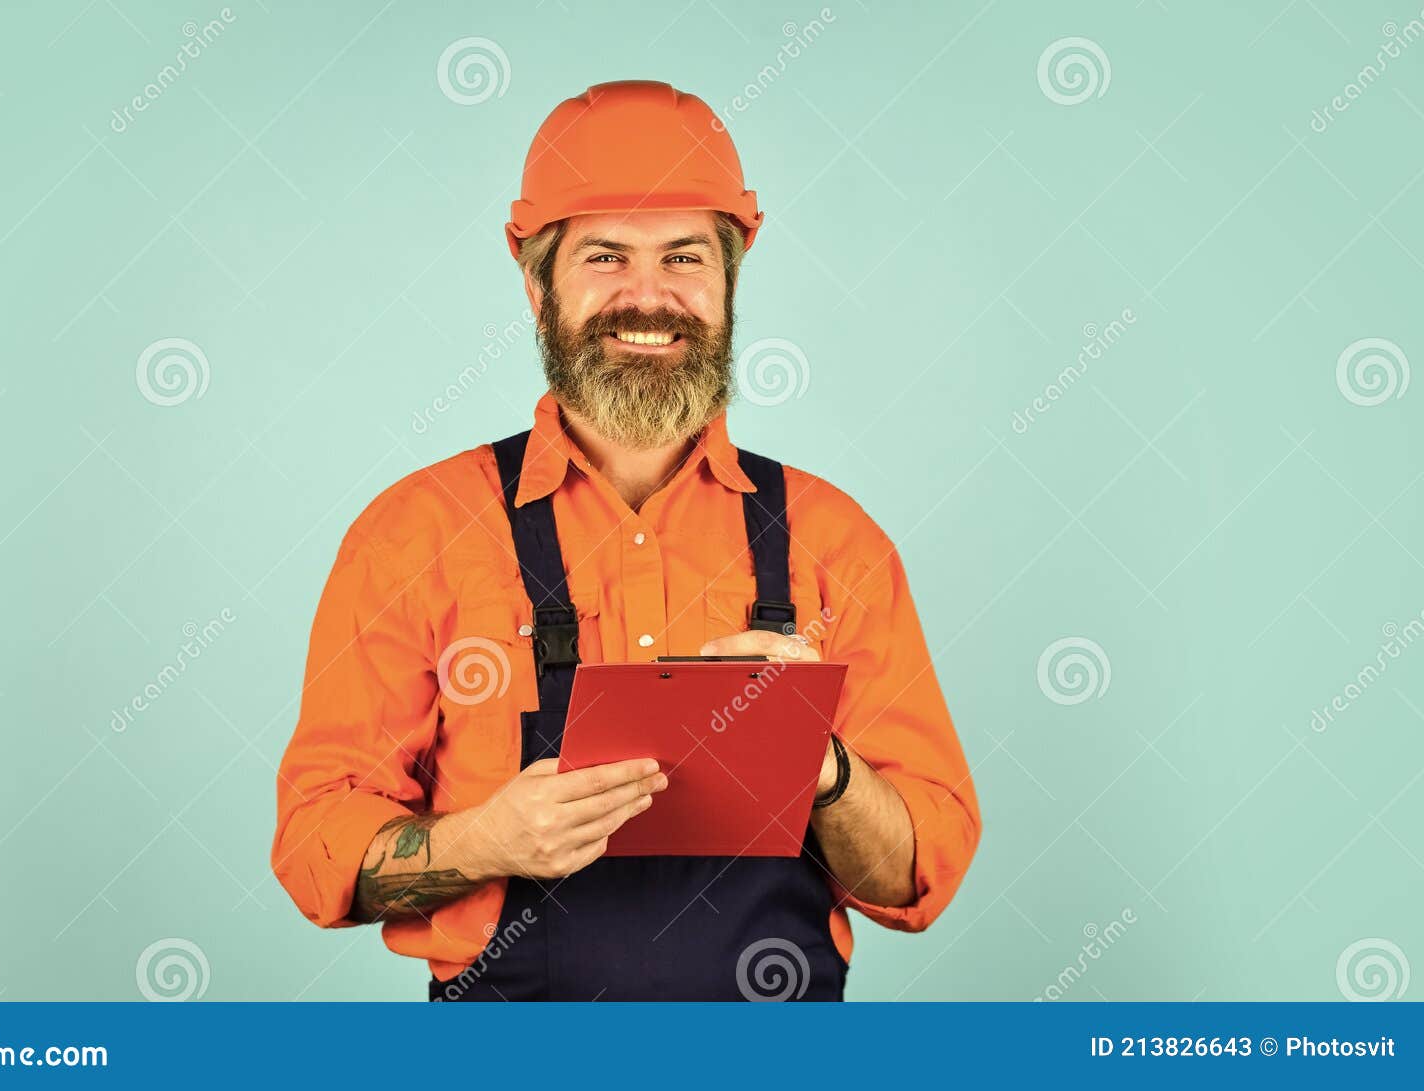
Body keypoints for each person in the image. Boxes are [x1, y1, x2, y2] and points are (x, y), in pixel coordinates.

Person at [271, 80, 980, 1001]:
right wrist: (482, 841)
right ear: (536, 283)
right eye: (605, 256)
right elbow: (314, 845)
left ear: (728, 281)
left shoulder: (833, 543)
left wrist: (824, 768)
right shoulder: (418, 534)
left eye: (684, 257)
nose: (648, 298)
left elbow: (919, 874)